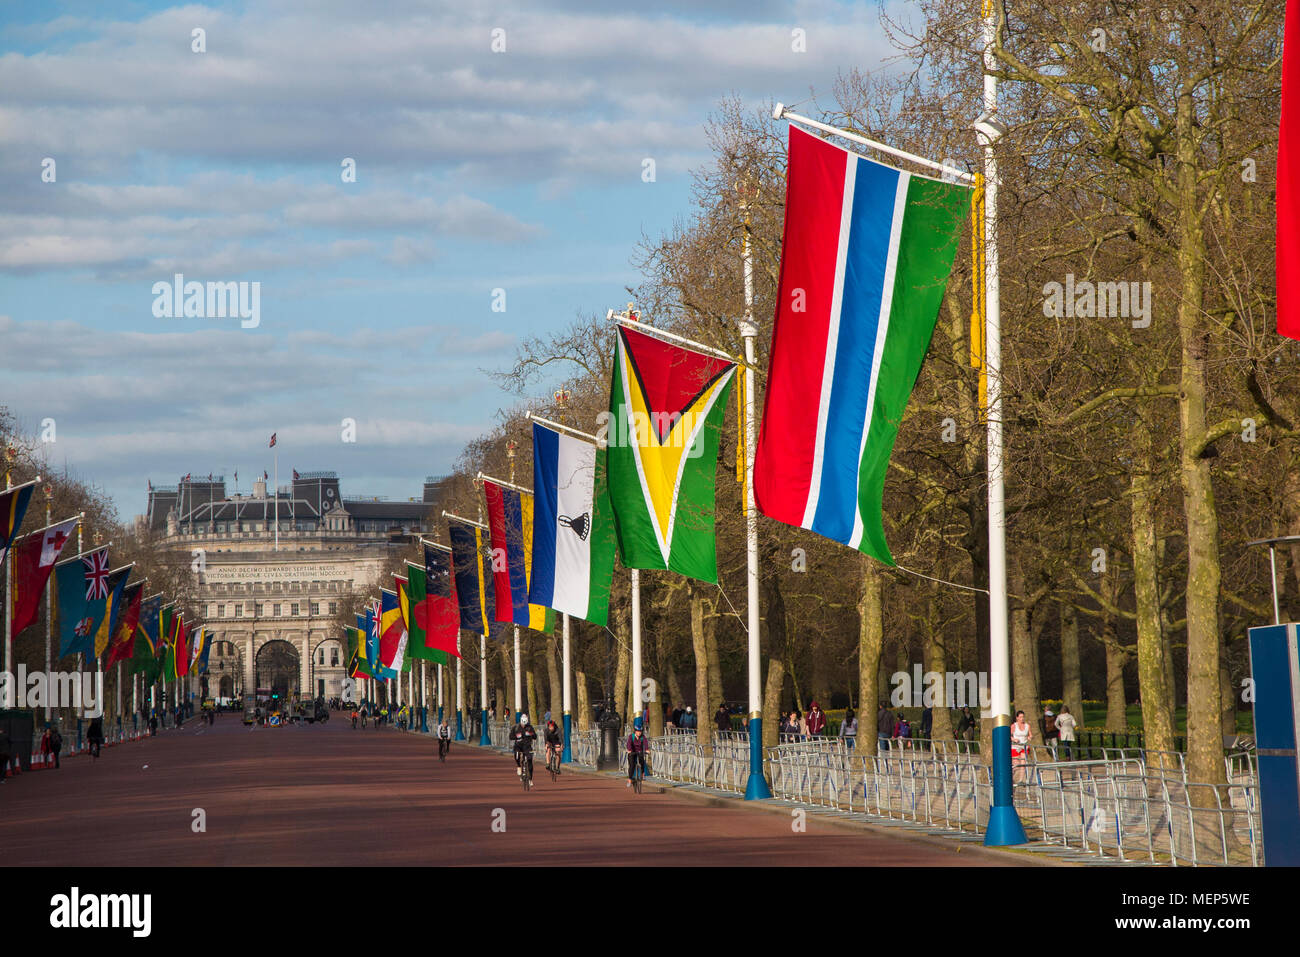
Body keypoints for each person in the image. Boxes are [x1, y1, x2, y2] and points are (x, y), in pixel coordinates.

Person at [510, 713, 537, 781]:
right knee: (517, 755)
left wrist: (530, 734)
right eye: (522, 724)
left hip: (527, 746)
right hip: (518, 746)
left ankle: (530, 778)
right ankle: (519, 766)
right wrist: (517, 736)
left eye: (525, 724)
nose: (524, 726)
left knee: (530, 760)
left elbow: (535, 736)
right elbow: (511, 736)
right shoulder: (515, 727)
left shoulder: (530, 727)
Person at [625, 717, 649, 788]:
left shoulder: (642, 737)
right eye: (638, 731)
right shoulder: (631, 736)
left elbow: (645, 743)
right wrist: (629, 750)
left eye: (640, 731)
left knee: (641, 760)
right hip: (632, 752)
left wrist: (647, 749)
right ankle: (629, 779)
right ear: (635, 731)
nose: (639, 733)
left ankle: (642, 773)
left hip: (639, 751)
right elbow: (629, 744)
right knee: (632, 765)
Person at [1010, 709, 1032, 782]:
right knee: (1016, 765)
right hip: (1015, 747)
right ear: (1017, 718)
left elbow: (1030, 734)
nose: (1022, 718)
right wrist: (1014, 739)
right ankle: (1011, 778)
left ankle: (1020, 780)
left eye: (1023, 717)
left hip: (1024, 747)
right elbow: (1009, 736)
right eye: (1020, 717)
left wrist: (1030, 737)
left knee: (1023, 764)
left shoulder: (1027, 726)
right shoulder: (1014, 726)